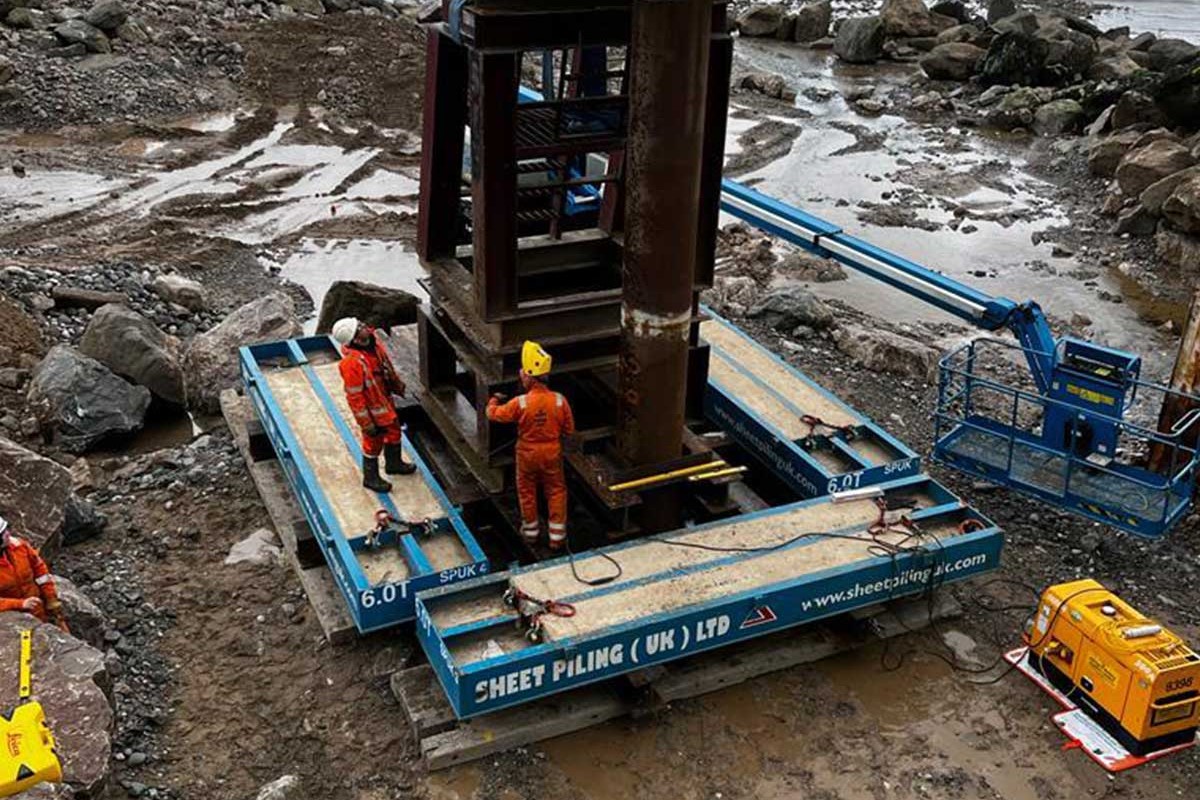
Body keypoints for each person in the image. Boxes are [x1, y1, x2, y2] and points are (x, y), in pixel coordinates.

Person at [487, 341, 576, 550]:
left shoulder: (521, 403)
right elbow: (569, 430)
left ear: (527, 375)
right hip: (552, 452)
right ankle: (557, 538)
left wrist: (493, 400)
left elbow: (493, 415)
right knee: (556, 491)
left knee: (527, 491)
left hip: (527, 453)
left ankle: (531, 534)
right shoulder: (559, 401)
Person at [330, 317, 417, 493]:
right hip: (372, 410)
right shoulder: (352, 364)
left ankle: (394, 463)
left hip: (383, 399)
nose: (365, 327)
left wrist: (396, 385)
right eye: (360, 327)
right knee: (373, 442)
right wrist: (366, 423)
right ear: (355, 338)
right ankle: (371, 477)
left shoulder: (373, 345)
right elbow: (355, 397)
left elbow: (385, 367)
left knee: (394, 432)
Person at [0, 515, 69, 633]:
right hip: (10, 620)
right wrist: (20, 604)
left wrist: (51, 598)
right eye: (3, 533)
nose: (8, 534)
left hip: (37, 608)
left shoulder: (20, 546)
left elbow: (40, 571)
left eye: (6, 529)